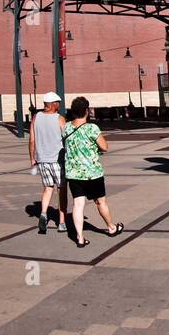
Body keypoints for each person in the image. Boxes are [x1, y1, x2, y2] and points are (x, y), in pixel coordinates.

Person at [61, 96, 122, 247]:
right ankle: (111, 227)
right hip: (93, 173)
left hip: (74, 174)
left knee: (78, 204)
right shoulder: (92, 128)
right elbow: (104, 147)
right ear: (86, 111)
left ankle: (80, 238)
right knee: (100, 202)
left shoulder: (67, 127)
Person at [28, 92, 67, 234]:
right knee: (61, 190)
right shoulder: (59, 119)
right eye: (58, 103)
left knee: (47, 188)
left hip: (42, 159)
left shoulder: (35, 117)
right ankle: (62, 222)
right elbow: (66, 139)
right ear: (53, 104)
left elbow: (32, 140)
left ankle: (43, 213)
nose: (59, 106)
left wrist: (32, 158)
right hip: (58, 160)